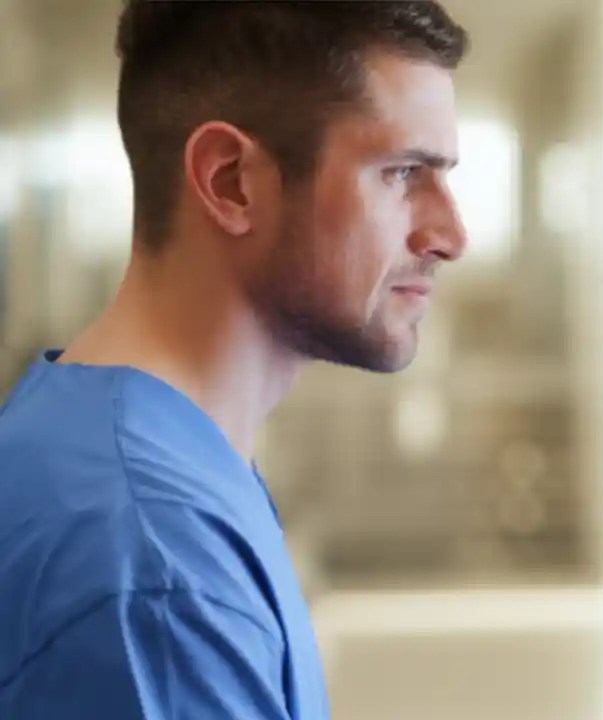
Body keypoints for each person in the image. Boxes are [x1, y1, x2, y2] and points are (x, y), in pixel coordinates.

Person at [0, 1, 469, 717]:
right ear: (230, 181)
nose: (451, 234)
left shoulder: (126, 451)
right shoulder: (153, 569)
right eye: (402, 172)